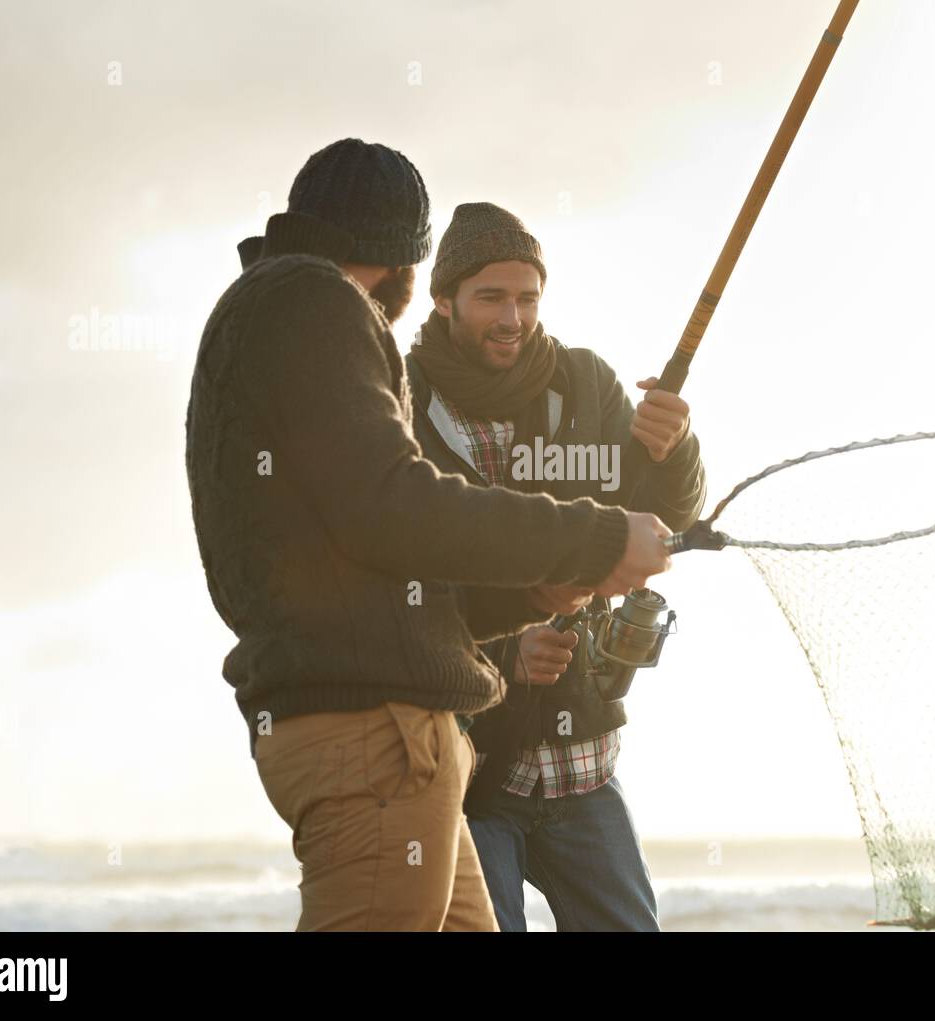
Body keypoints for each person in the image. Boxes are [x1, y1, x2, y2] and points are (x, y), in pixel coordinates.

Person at [188, 140, 672, 931]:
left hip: (384, 736)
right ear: (409, 268)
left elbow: (369, 562)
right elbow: (398, 506)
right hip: (376, 739)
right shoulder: (318, 303)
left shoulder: (264, 312)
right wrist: (596, 537)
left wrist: (532, 590)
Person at [405, 202, 705, 930]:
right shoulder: (404, 400)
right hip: (470, 774)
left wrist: (675, 447)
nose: (513, 317)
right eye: (491, 298)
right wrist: (508, 651)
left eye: (528, 297)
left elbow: (666, 520)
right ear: (444, 299)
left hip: (584, 762)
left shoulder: (586, 383)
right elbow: (405, 576)